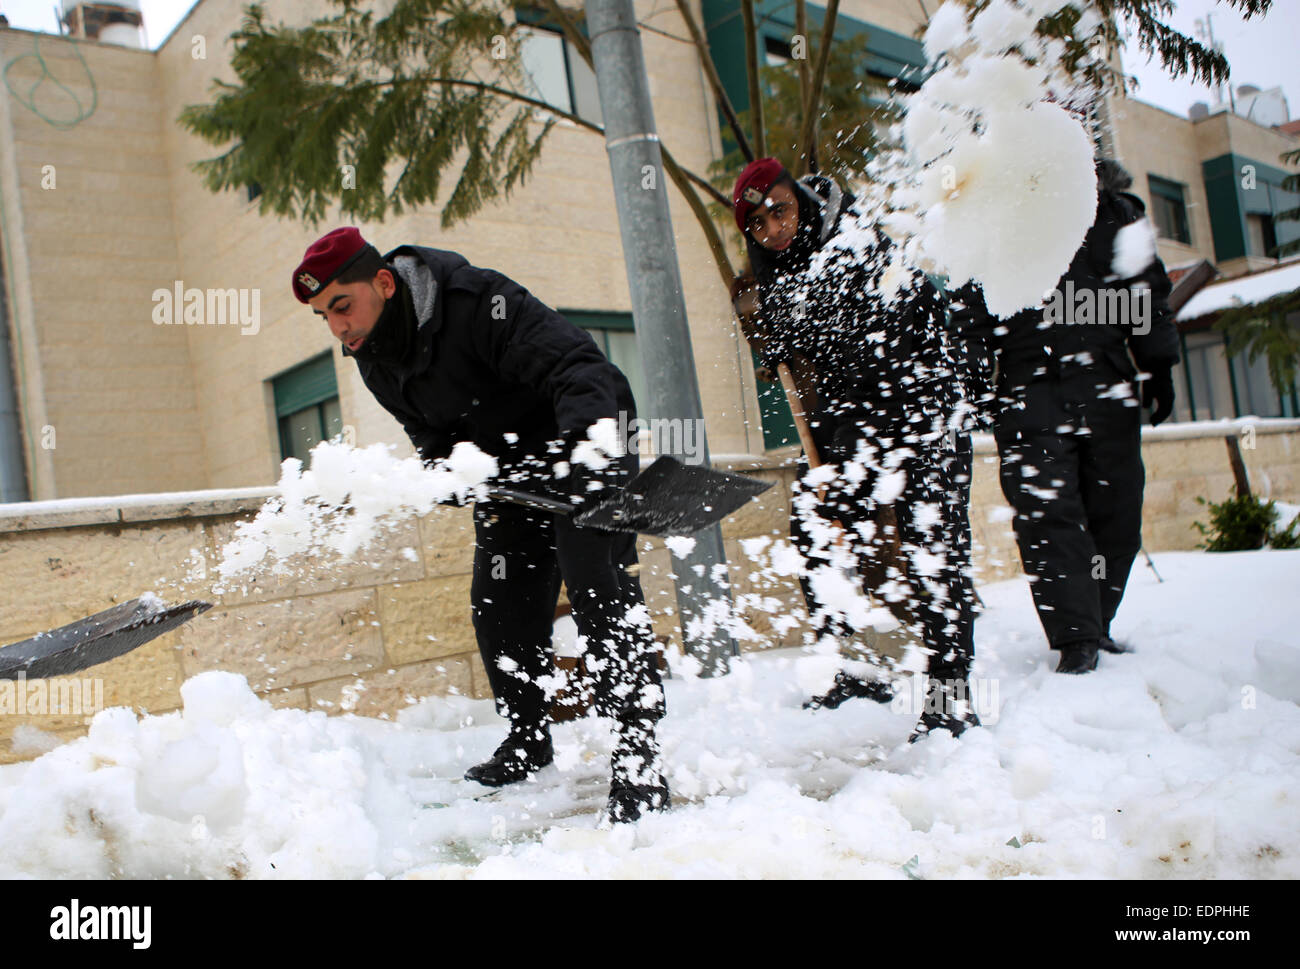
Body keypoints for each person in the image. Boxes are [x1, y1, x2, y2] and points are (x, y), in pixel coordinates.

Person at [292, 227, 669, 821]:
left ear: (384, 283)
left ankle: (638, 754)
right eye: (324, 316)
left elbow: (579, 367)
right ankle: (528, 737)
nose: (338, 325)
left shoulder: (476, 302)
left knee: (596, 583)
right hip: (511, 472)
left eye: (343, 304)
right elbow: (431, 434)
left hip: (589, 437)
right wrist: (445, 475)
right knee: (498, 601)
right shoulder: (373, 358)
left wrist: (588, 464)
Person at [732, 158, 986, 740]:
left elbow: (870, 356)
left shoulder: (851, 242)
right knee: (813, 525)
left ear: (798, 198)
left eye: (780, 210)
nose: (773, 229)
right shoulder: (776, 271)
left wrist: (796, 333)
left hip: (923, 412)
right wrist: (776, 343)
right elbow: (812, 373)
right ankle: (848, 665)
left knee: (932, 545)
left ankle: (951, 695)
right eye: (758, 224)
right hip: (856, 423)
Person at [952, 159, 1180, 674]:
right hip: (1029, 385)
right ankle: (1076, 637)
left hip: (1106, 378)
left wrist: (1159, 364)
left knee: (1116, 513)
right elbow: (971, 310)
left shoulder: (1116, 214)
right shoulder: (997, 219)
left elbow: (1146, 288)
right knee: (1047, 514)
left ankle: (1097, 622)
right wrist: (973, 384)